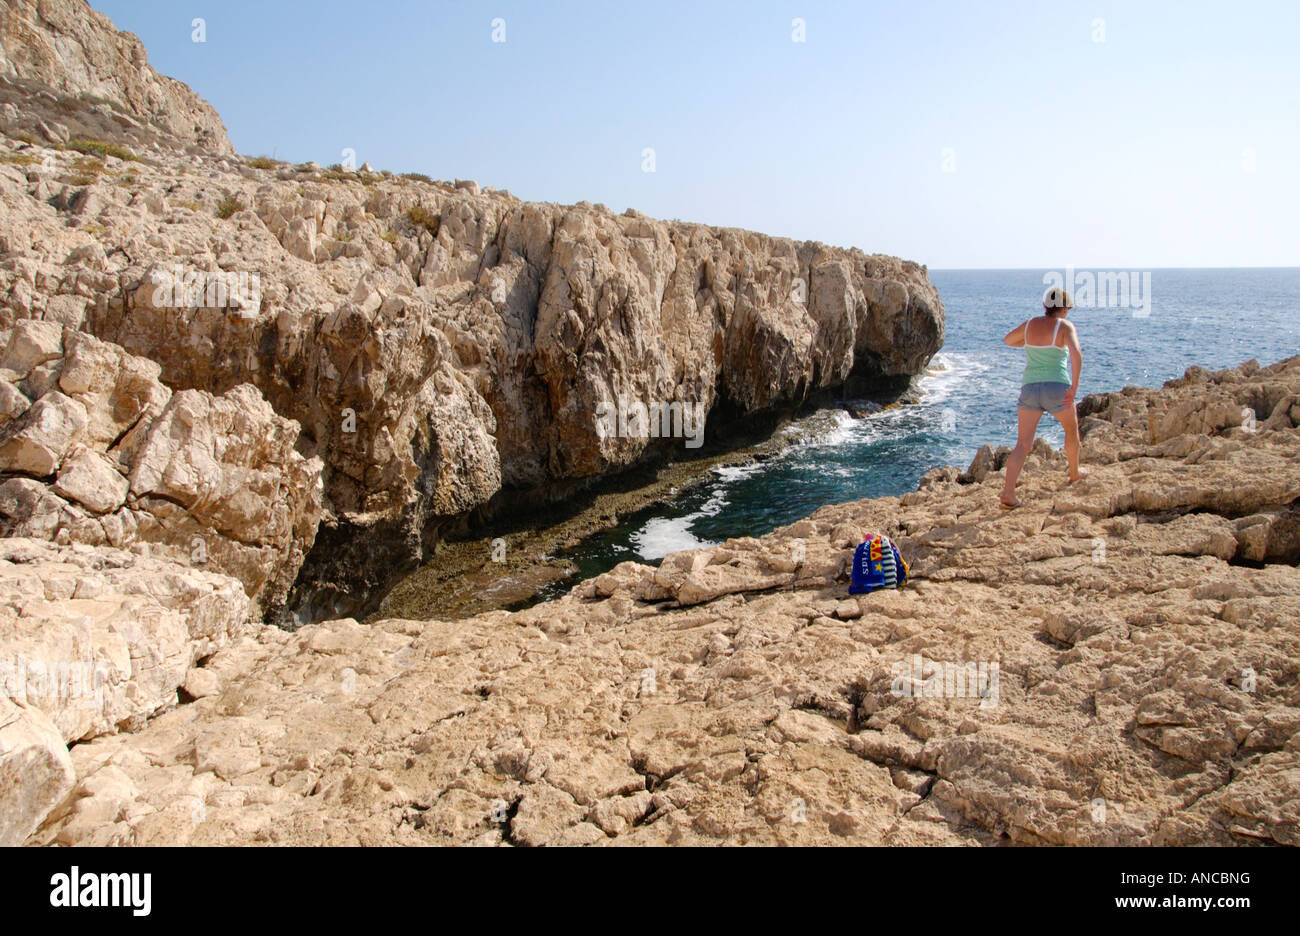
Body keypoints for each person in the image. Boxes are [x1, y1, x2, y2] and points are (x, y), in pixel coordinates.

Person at [998, 286, 1087, 508]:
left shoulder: (1030, 325)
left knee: (1022, 444)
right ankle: (1074, 473)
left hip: (1030, 389)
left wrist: (1028, 343)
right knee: (1071, 431)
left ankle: (1008, 493)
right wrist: (1074, 387)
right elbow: (1077, 354)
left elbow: (1008, 340)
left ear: (1045, 306)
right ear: (1064, 308)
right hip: (1057, 387)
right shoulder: (1065, 326)